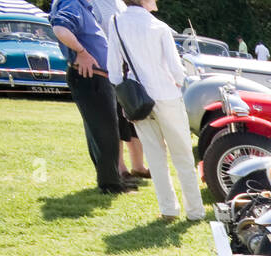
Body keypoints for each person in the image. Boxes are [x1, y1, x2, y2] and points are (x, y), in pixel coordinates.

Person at [105, 0, 204, 222]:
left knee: (155, 156)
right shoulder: (159, 27)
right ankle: (195, 211)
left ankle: (169, 210)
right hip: (166, 94)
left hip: (138, 98)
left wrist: (124, 95)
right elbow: (176, 70)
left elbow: (113, 67)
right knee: (182, 155)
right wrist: (180, 81)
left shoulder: (116, 22)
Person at [49, 0, 133, 193]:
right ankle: (111, 184)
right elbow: (60, 28)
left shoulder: (79, 5)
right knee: (105, 133)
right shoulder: (72, 3)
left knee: (102, 132)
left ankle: (111, 179)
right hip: (90, 76)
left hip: (94, 77)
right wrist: (82, 52)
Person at [91, 0, 148, 180]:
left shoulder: (120, 3)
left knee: (133, 117)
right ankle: (120, 167)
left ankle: (139, 166)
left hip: (127, 69)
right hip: (108, 69)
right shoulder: (93, 4)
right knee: (114, 121)